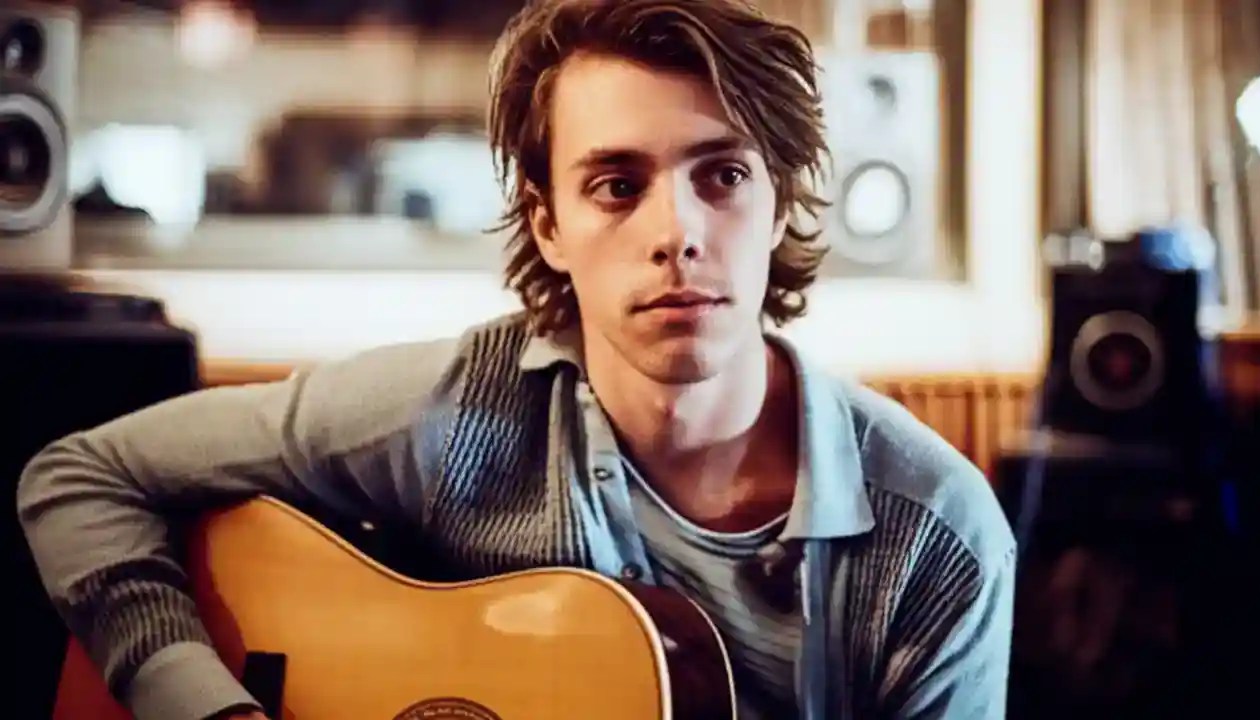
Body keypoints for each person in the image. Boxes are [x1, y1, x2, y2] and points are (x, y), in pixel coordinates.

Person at [16, 1, 1015, 718]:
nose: (678, 232)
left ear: (780, 202)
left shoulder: (937, 545)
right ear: (547, 225)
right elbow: (78, 477)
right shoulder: (453, 414)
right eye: (617, 186)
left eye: (722, 175)